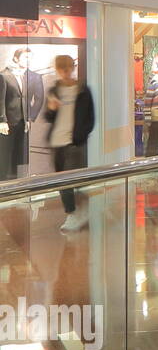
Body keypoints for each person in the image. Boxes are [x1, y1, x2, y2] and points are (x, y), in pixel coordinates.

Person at [44, 54, 95, 231]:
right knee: (60, 181)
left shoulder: (82, 90)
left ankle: (72, 214)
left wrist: (81, 136)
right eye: (61, 68)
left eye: (67, 68)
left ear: (72, 68)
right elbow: (48, 116)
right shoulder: (54, 90)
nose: (65, 72)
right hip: (56, 142)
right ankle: (75, 211)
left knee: (69, 180)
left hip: (74, 143)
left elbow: (90, 118)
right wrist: (51, 109)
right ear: (57, 70)